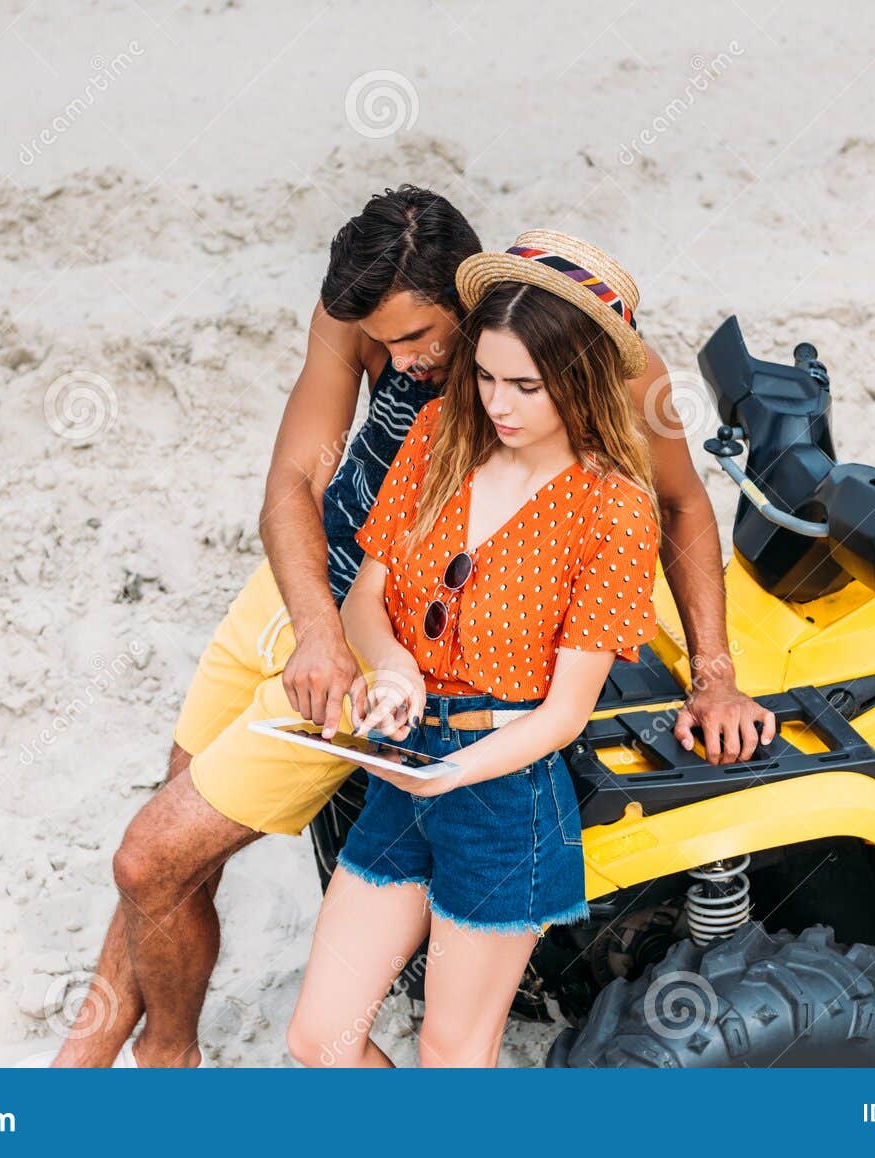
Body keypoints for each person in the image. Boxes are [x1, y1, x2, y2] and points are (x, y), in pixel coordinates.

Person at [51, 187, 777, 1068]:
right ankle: (93, 1072)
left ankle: (152, 1070)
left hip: (419, 650)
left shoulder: (586, 367)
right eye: (386, 346)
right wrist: (323, 628)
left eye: (422, 339)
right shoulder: (382, 335)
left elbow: (677, 504)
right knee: (165, 860)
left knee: (153, 858)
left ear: (468, 300)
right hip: (320, 594)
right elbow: (292, 485)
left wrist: (715, 673)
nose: (402, 360)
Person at [288, 233, 659, 1067]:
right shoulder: (436, 437)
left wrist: (453, 771)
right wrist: (392, 667)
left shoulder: (616, 512)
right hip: (405, 764)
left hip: (505, 795)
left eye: (526, 385)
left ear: (582, 378)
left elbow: (565, 715)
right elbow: (363, 597)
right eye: (487, 377)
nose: (500, 403)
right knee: (320, 1038)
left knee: (452, 1056)